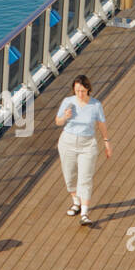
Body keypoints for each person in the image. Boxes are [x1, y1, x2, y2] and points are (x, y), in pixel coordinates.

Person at [55, 74, 112, 226]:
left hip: (87, 144)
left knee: (85, 178)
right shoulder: (68, 102)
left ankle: (85, 213)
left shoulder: (95, 105)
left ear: (88, 89)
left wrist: (106, 142)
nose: (80, 94)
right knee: (70, 176)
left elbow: (101, 124)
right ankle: (76, 202)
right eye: (77, 91)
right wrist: (65, 117)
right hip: (68, 142)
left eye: (83, 91)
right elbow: (58, 121)